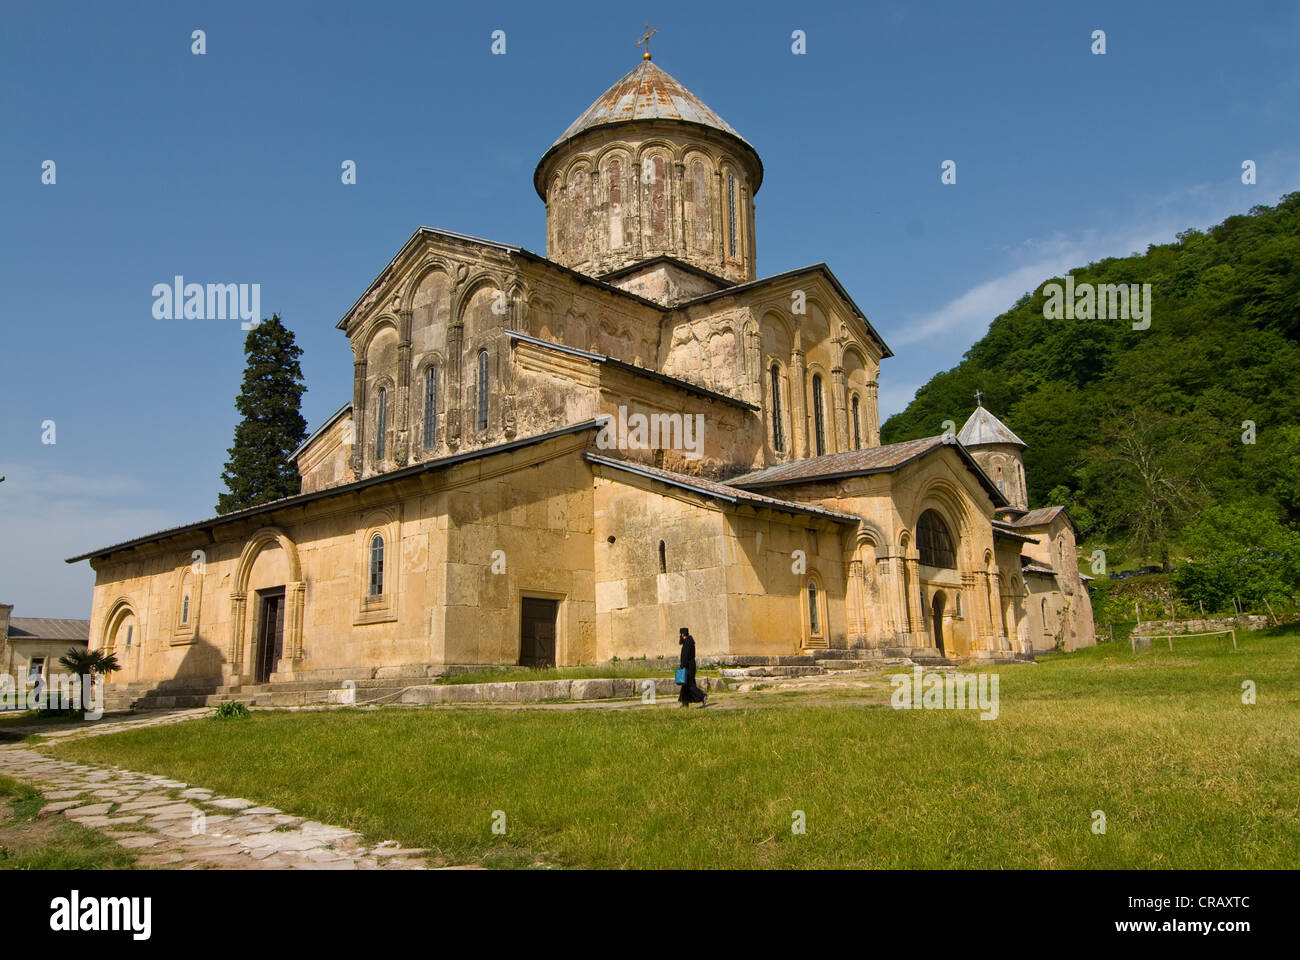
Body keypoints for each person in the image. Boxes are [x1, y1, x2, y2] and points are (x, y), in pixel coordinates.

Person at [678, 627, 708, 708]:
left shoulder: (687, 642)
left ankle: (702, 696)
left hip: (689, 666)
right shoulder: (688, 641)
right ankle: (685, 703)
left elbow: (686, 656)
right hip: (690, 665)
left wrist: (682, 665)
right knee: (685, 685)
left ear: (682, 634)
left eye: (680, 634)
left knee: (690, 685)